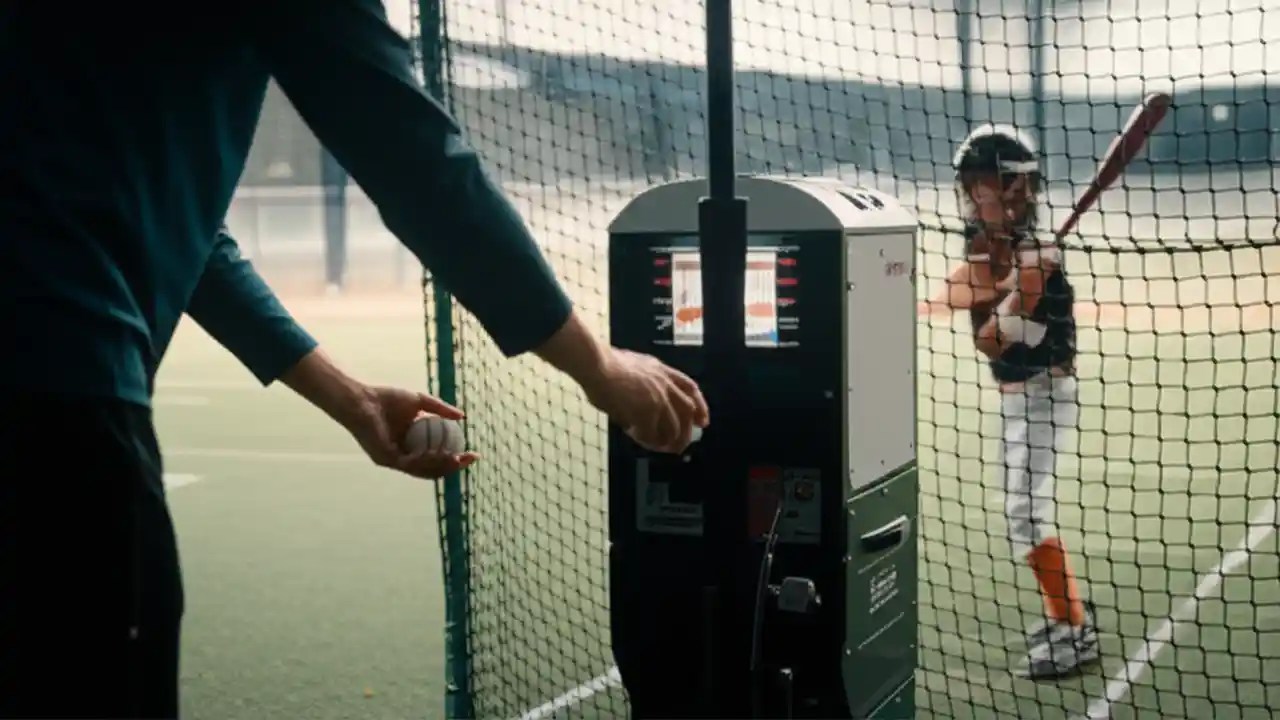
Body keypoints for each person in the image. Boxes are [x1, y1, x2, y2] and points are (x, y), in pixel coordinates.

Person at [0, 3, 708, 718]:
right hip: (53, 373)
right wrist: (598, 367)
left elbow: (180, 231)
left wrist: (353, 400)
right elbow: (410, 152)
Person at [926, 124, 1099, 679]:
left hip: (1044, 396)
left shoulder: (1038, 262)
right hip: (1017, 400)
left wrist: (1024, 284)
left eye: (989, 185)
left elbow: (991, 340)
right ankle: (1065, 609)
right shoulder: (988, 246)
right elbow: (955, 294)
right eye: (974, 186)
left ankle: (1075, 633)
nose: (977, 197)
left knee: (1025, 513)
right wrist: (1005, 278)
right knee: (1022, 511)